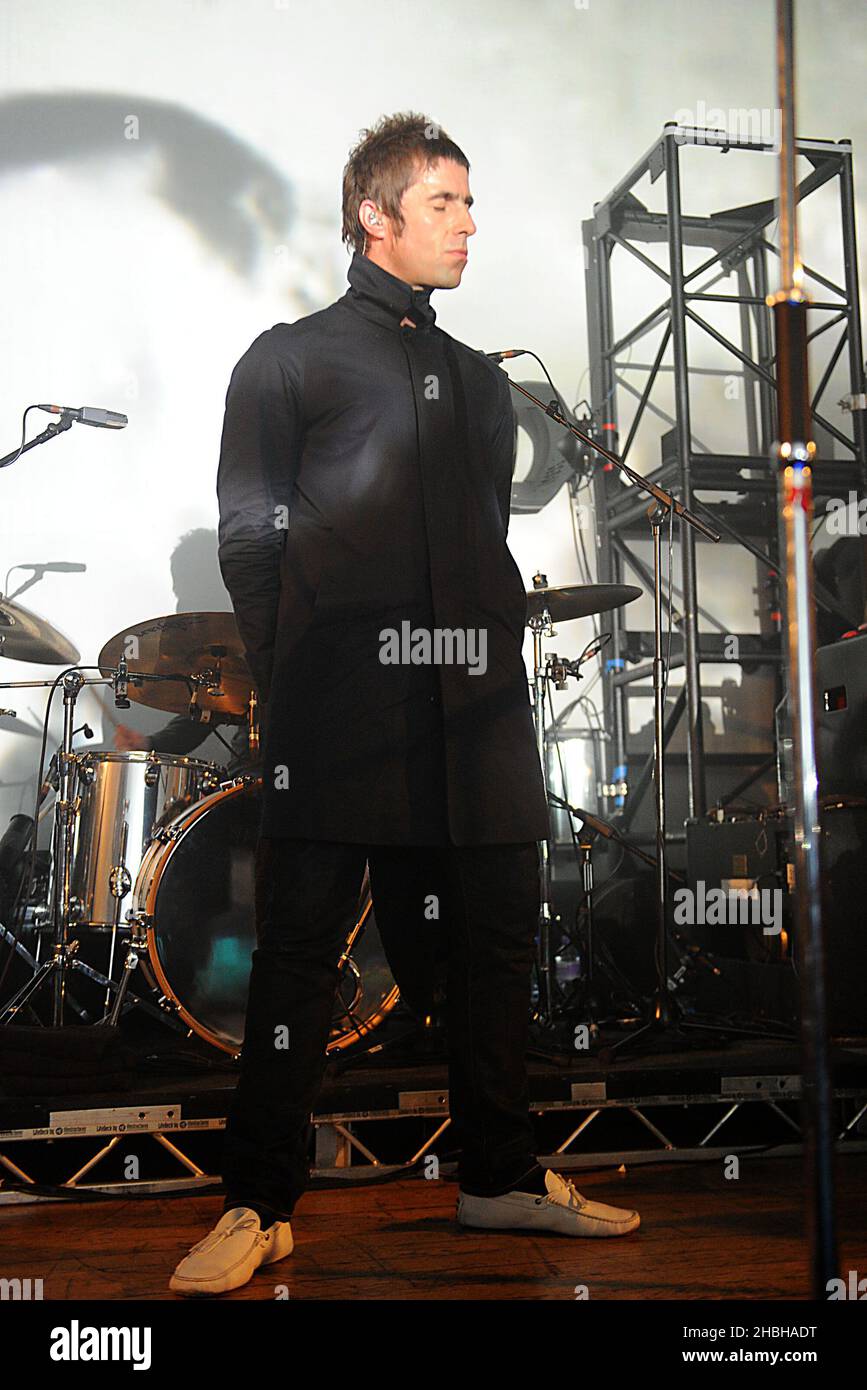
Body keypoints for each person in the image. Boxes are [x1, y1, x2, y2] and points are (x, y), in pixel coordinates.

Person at [170, 111, 640, 1297]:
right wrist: (300, 684)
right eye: (446, 203)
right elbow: (251, 539)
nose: (470, 224)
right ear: (375, 216)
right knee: (296, 962)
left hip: (476, 721)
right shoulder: (286, 361)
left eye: (471, 204)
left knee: (491, 958)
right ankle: (255, 1201)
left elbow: (478, 535)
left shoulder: (483, 387)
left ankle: (503, 1175)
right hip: (340, 721)